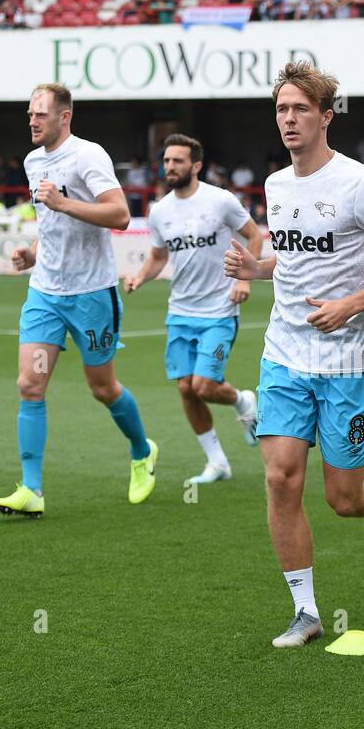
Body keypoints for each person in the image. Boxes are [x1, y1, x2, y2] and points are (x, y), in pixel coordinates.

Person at [222, 61, 364, 648]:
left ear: (326, 117)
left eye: (300, 110)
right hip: (284, 353)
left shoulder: (362, 184)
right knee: (281, 478)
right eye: (282, 109)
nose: (289, 119)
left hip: (348, 362)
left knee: (344, 498)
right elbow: (292, 262)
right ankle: (305, 611)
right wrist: (254, 268)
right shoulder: (276, 185)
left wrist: (350, 305)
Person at [0, 83, 156, 517]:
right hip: (46, 294)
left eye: (40, 114)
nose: (32, 120)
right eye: (29, 113)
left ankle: (142, 451)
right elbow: (49, 225)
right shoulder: (31, 161)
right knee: (31, 383)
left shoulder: (88, 156)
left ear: (64, 117)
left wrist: (63, 203)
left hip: (91, 296)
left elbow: (119, 215)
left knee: (102, 387)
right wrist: (32, 251)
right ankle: (31, 490)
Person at [128, 133, 263, 484]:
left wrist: (244, 279)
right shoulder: (159, 210)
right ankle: (217, 462)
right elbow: (159, 257)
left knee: (203, 385)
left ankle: (243, 401)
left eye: (177, 161)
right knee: (186, 389)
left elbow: (255, 236)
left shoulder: (220, 200)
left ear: (196, 165)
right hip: (180, 313)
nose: (169, 167)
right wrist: (141, 277)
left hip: (218, 311)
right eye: (167, 161)